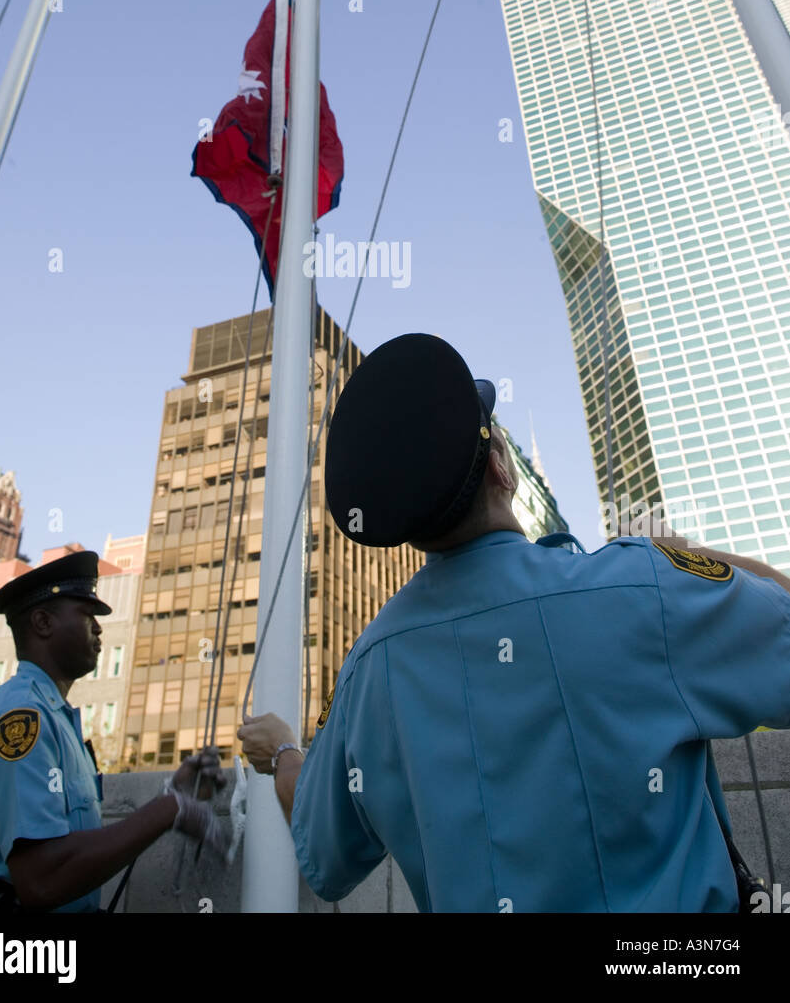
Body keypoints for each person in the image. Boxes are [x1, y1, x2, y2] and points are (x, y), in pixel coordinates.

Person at [238, 332, 790, 913]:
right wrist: (685, 555)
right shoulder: (641, 587)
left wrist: (283, 752)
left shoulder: (367, 670)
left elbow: (323, 849)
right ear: (502, 468)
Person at [0, 550, 229, 913]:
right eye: (87, 614)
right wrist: (170, 810)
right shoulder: (22, 719)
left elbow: (74, 847)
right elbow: (42, 880)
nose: (98, 628)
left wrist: (171, 794)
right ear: (43, 622)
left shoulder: (55, 717)